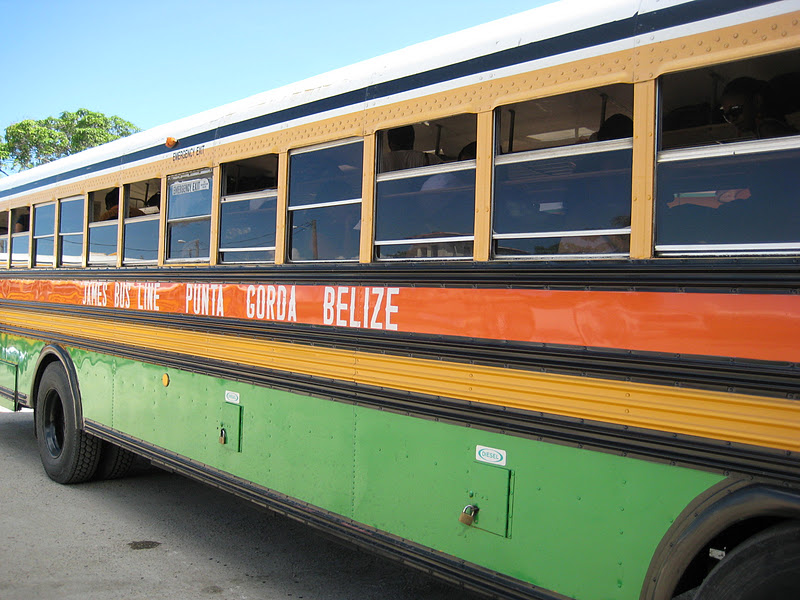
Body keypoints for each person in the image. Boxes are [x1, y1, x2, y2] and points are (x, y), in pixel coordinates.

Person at [720, 77, 797, 139]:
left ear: (757, 101)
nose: (732, 119)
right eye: (727, 116)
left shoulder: (768, 130)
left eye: (735, 111)